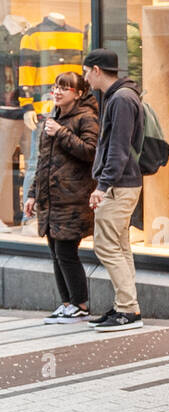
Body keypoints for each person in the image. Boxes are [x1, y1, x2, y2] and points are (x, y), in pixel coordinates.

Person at [23, 71, 98, 324]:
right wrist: (33, 194)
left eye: (64, 88)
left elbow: (91, 152)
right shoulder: (52, 118)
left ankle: (81, 305)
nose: (57, 91)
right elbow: (42, 161)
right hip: (50, 200)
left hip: (73, 199)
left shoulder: (86, 118)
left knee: (67, 253)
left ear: (78, 94)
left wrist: (62, 133)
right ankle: (67, 304)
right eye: (56, 87)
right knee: (55, 252)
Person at [82, 48, 144, 332]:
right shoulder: (121, 96)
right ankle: (126, 305)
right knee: (119, 246)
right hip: (123, 183)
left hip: (119, 185)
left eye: (86, 71)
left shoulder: (120, 99)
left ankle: (127, 309)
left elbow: (117, 148)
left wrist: (102, 186)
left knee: (105, 245)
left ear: (96, 70)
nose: (85, 78)